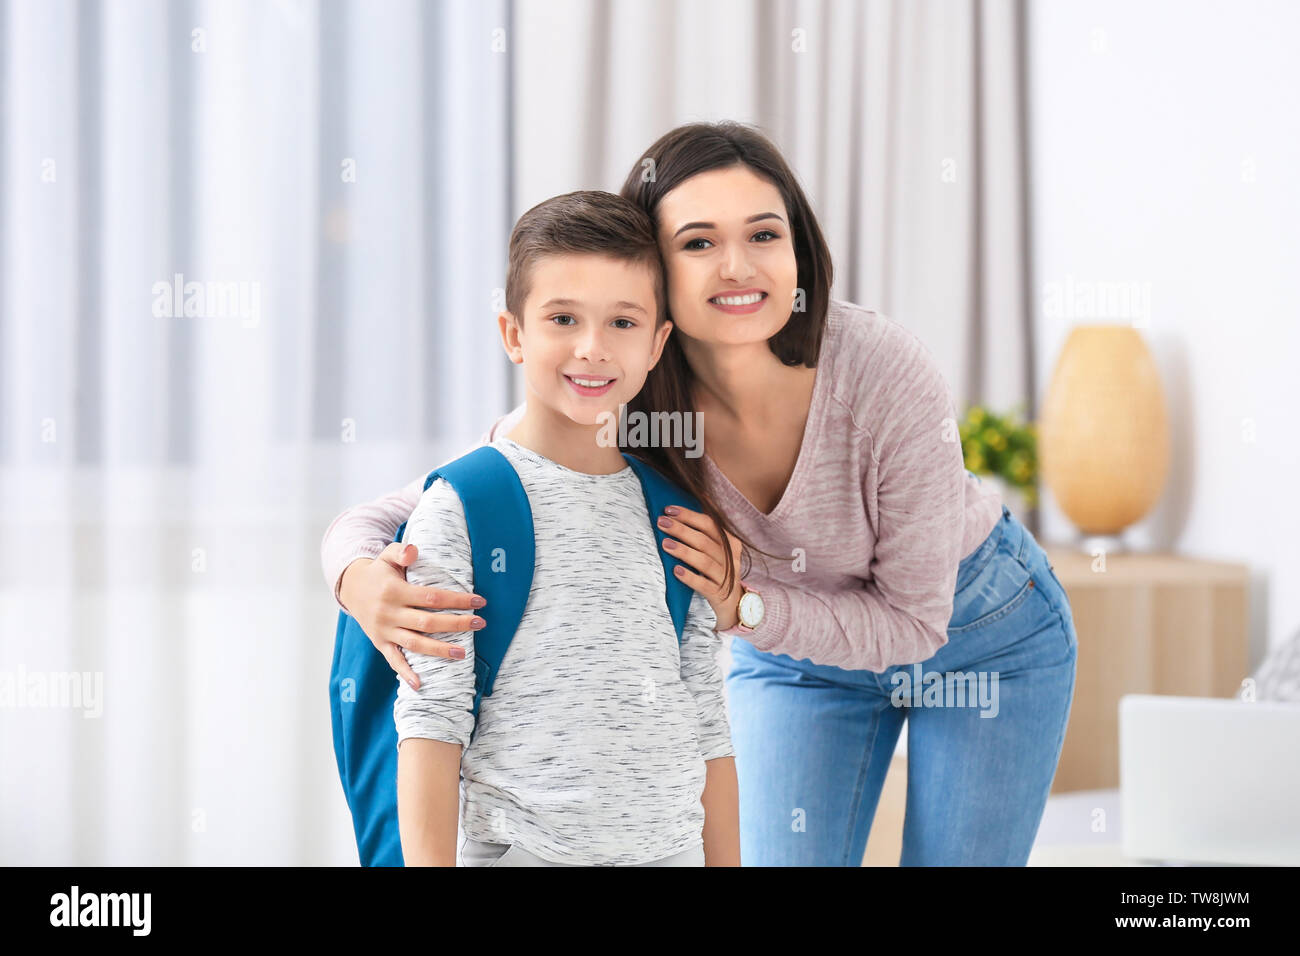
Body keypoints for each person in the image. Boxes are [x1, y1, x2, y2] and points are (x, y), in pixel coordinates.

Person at [324, 121, 1077, 866]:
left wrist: (742, 606)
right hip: (795, 658)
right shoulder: (637, 394)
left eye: (763, 235)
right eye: (698, 243)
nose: (737, 267)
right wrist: (355, 576)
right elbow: (457, 491)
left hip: (985, 635)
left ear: (798, 251)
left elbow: (913, 624)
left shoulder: (880, 371)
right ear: (655, 273)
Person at [392, 189, 739, 867]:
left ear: (657, 342)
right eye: (562, 318)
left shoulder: (676, 514)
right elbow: (432, 725)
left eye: (622, 322)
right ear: (514, 334)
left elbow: (707, 723)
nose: (591, 348)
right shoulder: (464, 504)